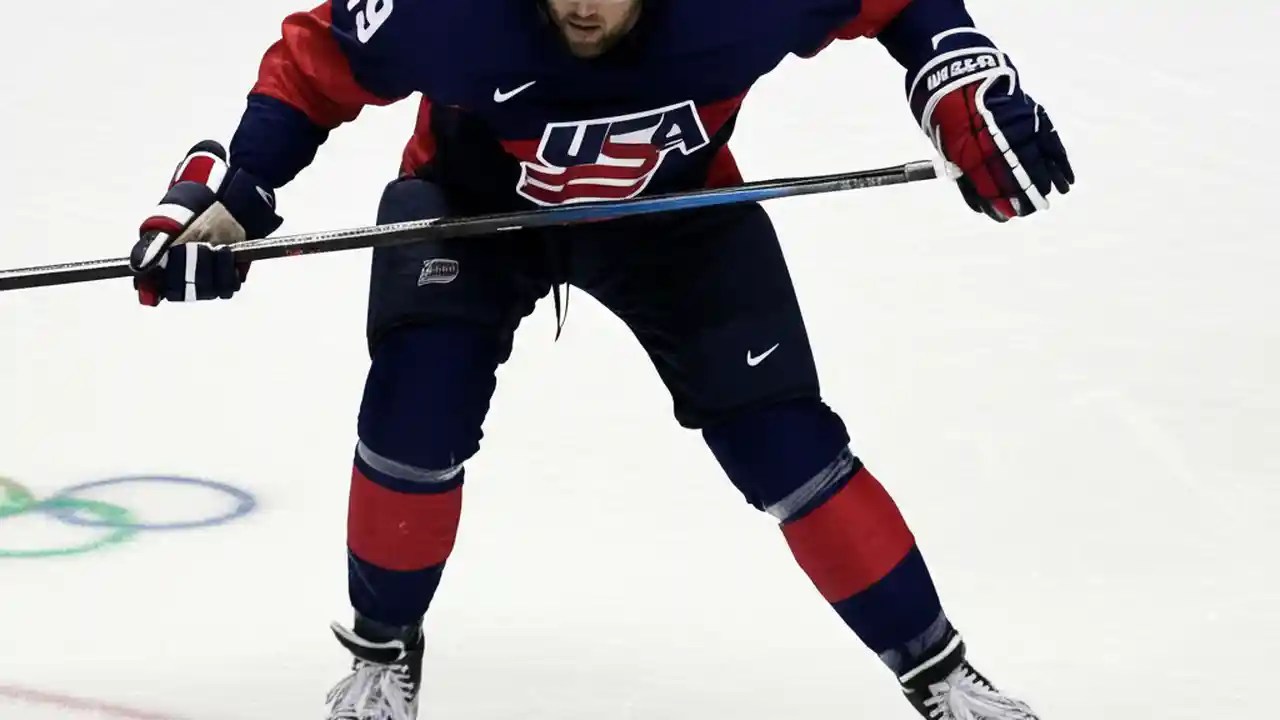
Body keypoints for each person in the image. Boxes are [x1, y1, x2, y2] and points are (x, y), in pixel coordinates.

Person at [128, 0, 1073, 717]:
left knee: (786, 446)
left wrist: (958, 80)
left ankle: (942, 676)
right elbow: (315, 65)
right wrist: (232, 192)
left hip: (673, 215)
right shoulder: (447, 13)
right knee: (414, 420)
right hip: (469, 203)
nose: (581, 6)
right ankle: (382, 651)